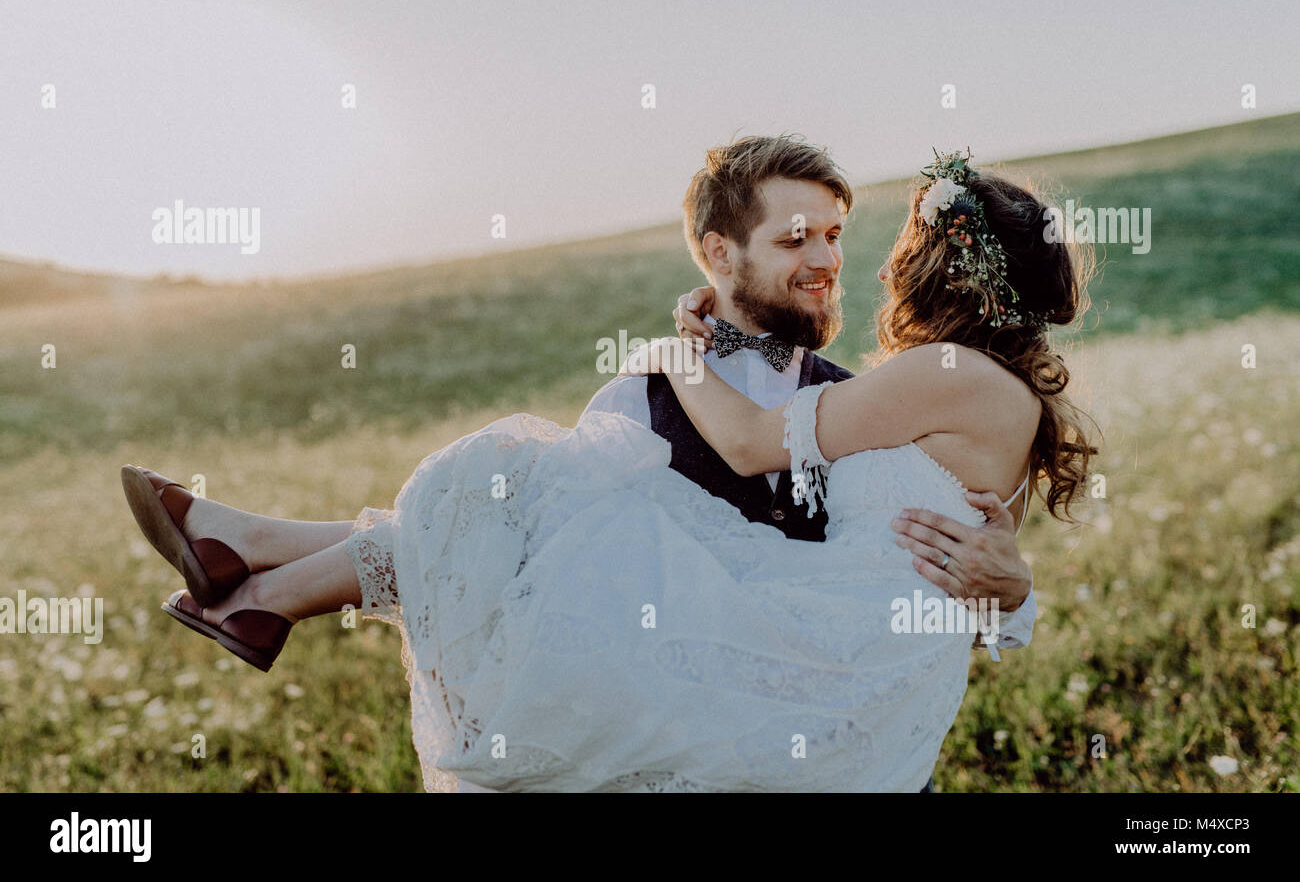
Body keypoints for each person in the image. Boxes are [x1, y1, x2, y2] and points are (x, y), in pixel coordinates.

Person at [122, 139, 1096, 792]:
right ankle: (254, 572)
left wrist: (1011, 594)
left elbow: (779, 455)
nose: (852, 263)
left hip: (805, 651)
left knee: (529, 477)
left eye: (850, 240)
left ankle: (254, 569)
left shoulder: (906, 381)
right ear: (720, 250)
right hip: (809, 648)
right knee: (539, 491)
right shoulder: (940, 393)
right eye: (799, 236)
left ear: (937, 270)